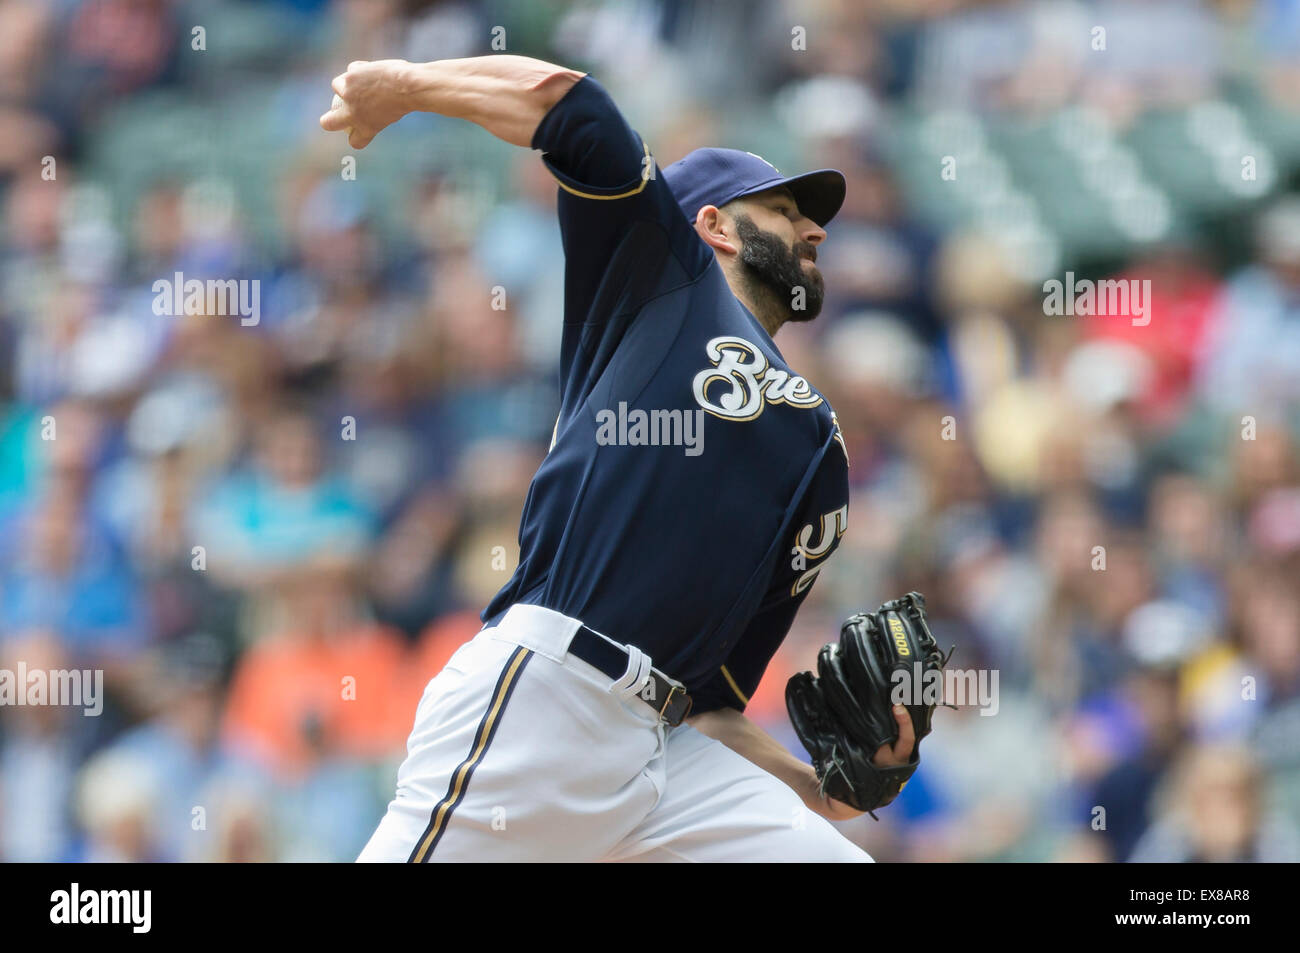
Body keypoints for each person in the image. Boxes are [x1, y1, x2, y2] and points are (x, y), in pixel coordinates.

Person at [323, 54, 915, 862]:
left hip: (661, 754)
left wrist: (829, 788)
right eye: (782, 209)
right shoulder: (659, 285)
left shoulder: (818, 452)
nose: (815, 229)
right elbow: (574, 109)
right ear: (710, 224)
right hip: (547, 698)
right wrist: (406, 85)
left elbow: (713, 703)